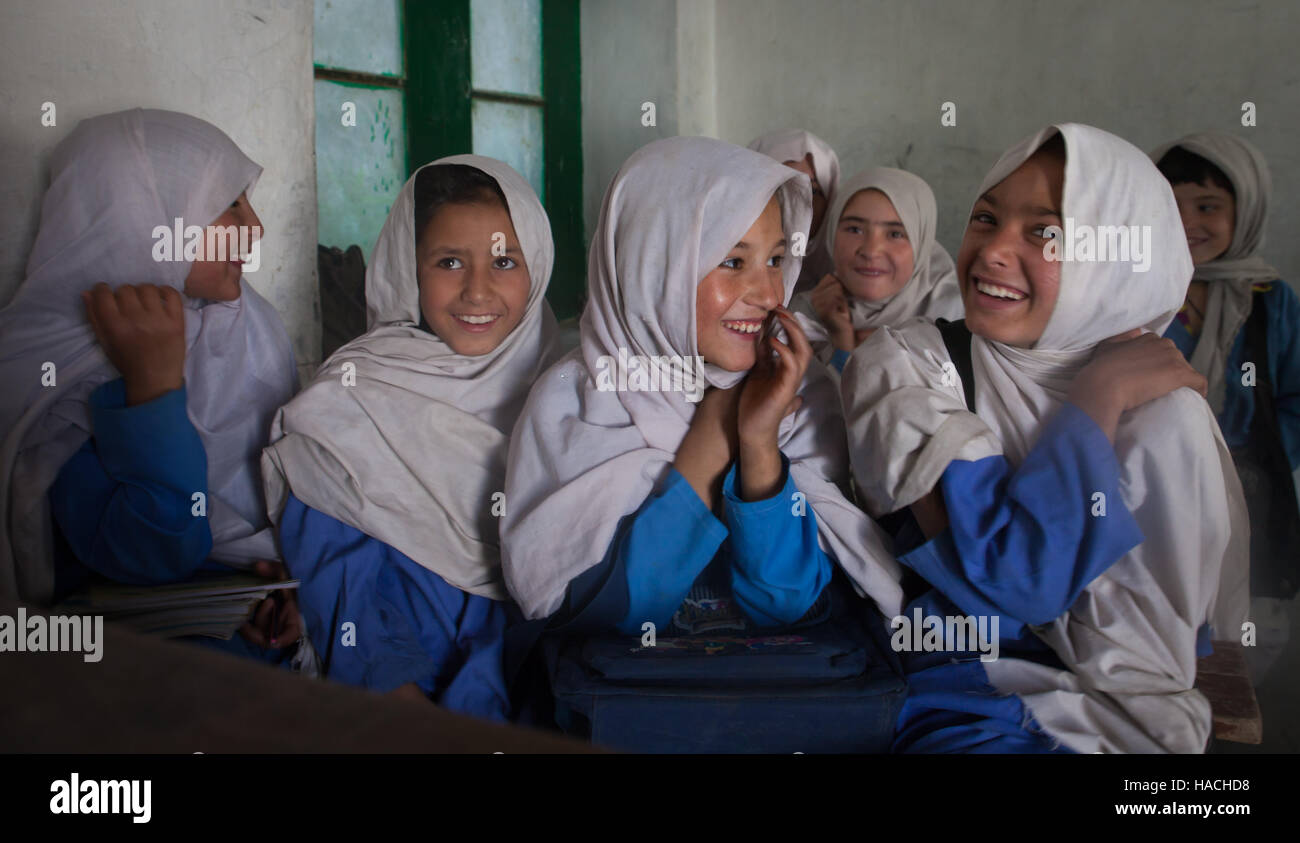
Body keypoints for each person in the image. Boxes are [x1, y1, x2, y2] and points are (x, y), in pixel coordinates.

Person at [840, 124, 1249, 753]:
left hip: (1136, 723)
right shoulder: (908, 368)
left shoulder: (1167, 412)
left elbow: (1163, 648)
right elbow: (1018, 581)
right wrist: (1093, 405)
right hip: (966, 698)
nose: (994, 251)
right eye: (985, 217)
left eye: (1046, 232)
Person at [501, 136, 903, 640]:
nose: (769, 294)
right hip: (632, 708)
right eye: (733, 261)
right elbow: (598, 614)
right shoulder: (574, 403)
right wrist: (715, 431)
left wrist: (758, 446)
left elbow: (789, 605)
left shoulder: (801, 396)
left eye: (776, 259)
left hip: (778, 703)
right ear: (652, 265)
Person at [262, 157, 560, 719]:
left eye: (504, 261)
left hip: (534, 702)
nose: (478, 291)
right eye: (449, 262)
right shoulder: (353, 398)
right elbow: (347, 597)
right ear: (408, 269)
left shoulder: (562, 396)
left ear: (537, 267)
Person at [0, 108, 302, 656]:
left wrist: (283, 581)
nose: (255, 227)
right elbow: (151, 553)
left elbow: (288, 487)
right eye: (227, 204)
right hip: (119, 653)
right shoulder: (55, 363)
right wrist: (153, 388)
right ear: (144, 217)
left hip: (241, 615)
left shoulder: (244, 325)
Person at [791, 167, 962, 374]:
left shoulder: (954, 322)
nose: (871, 251)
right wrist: (840, 340)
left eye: (895, 234)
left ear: (921, 242)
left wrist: (852, 350)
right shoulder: (804, 314)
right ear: (832, 233)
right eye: (855, 229)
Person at [747, 129, 841, 294]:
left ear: (830, 201)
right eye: (780, 189)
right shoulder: (723, 262)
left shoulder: (850, 273)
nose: (797, 205)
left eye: (812, 191)